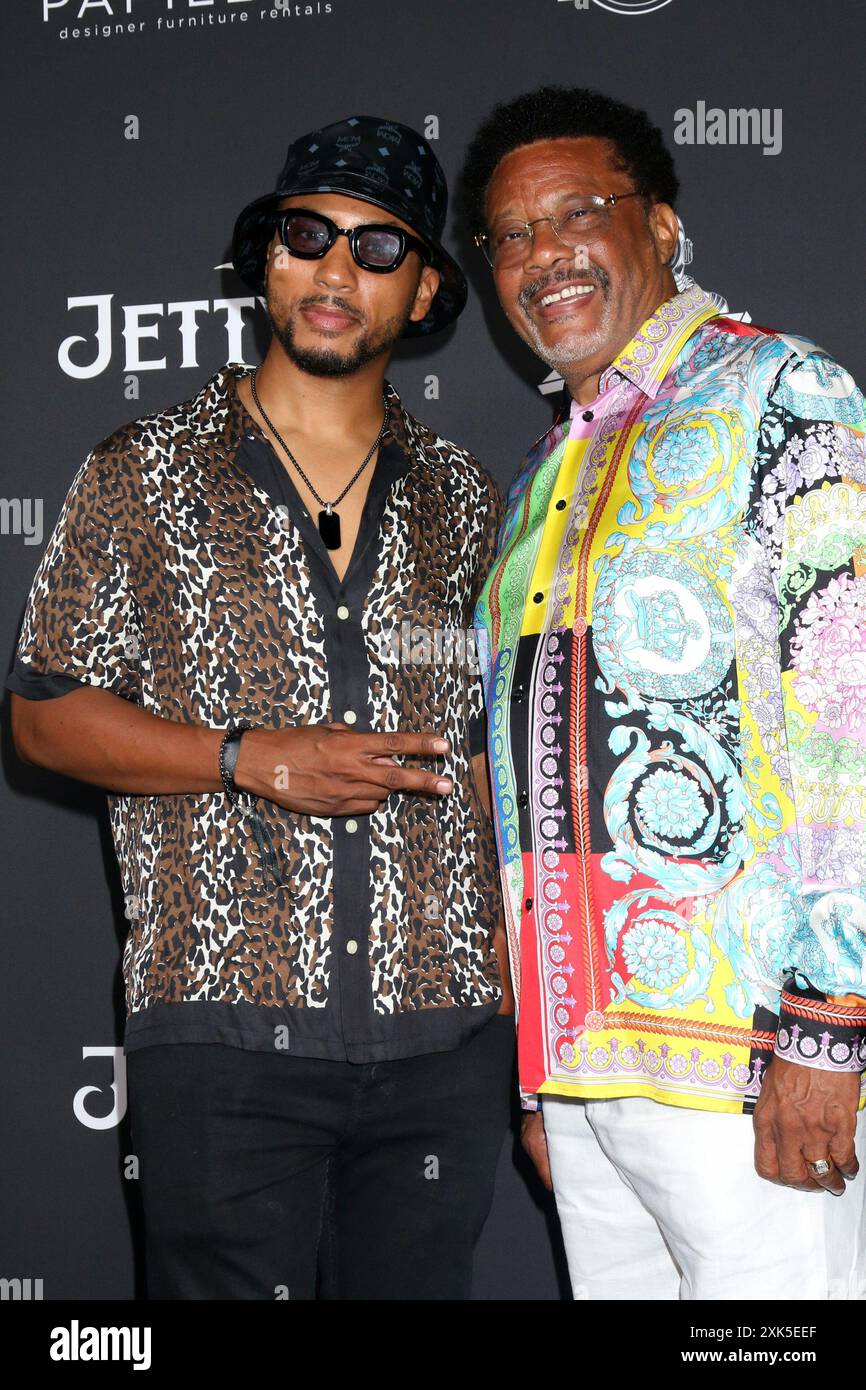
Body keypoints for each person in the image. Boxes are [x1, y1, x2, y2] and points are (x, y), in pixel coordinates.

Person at [9, 115, 515, 1301]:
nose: (337, 272)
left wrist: (514, 966)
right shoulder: (138, 470)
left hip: (443, 1034)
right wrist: (246, 757)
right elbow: (42, 717)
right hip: (224, 1038)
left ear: (427, 286)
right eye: (307, 236)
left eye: (377, 248)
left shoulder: (467, 496)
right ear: (266, 260)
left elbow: (494, 749)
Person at [464, 85, 866, 1299]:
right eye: (510, 236)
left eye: (575, 213)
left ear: (662, 226)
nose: (541, 257)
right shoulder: (541, 473)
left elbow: (844, 722)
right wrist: (539, 1079)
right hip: (584, 1076)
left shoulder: (778, 392)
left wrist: (824, 1029)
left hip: (738, 1059)